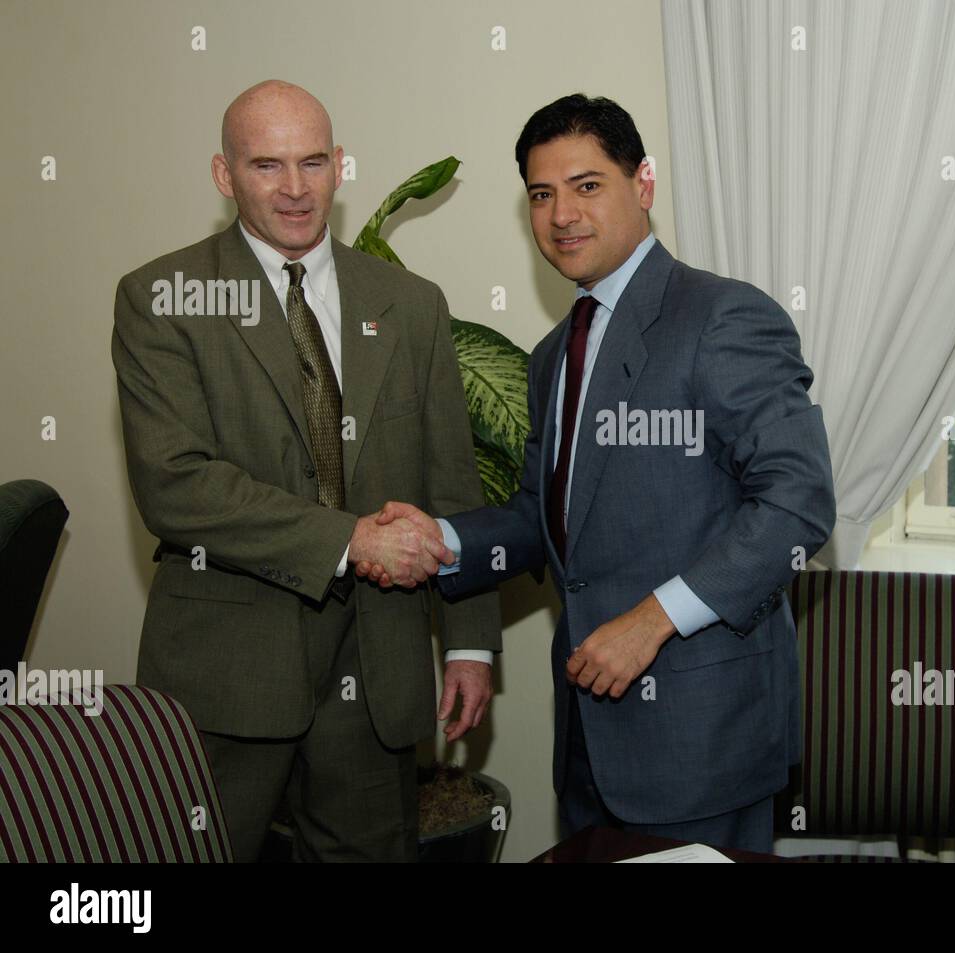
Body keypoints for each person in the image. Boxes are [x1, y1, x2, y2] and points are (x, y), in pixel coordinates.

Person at [361, 94, 835, 853]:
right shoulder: (555, 355)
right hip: (588, 741)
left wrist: (652, 620)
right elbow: (539, 517)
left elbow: (798, 504)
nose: (561, 214)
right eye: (541, 194)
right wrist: (443, 538)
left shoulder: (723, 317)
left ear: (642, 184)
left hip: (699, 744)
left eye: (588, 185)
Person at [111, 80, 499, 862]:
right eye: (266, 165)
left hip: (377, 668)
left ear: (340, 165)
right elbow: (176, 484)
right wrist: (351, 539)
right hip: (226, 676)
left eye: (313, 162)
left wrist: (469, 643)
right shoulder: (163, 299)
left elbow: (451, 481)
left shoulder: (410, 303)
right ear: (225, 176)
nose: (295, 189)